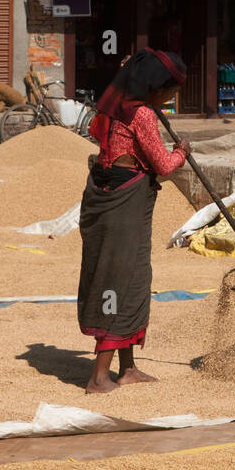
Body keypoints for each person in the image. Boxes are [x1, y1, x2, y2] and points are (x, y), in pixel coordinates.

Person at [78, 48, 191, 393]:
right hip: (123, 203)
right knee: (118, 280)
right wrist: (182, 150)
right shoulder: (141, 114)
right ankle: (99, 376)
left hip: (108, 191)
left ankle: (127, 367)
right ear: (155, 88)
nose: (170, 99)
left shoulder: (115, 104)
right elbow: (164, 166)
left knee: (134, 277)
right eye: (169, 92)